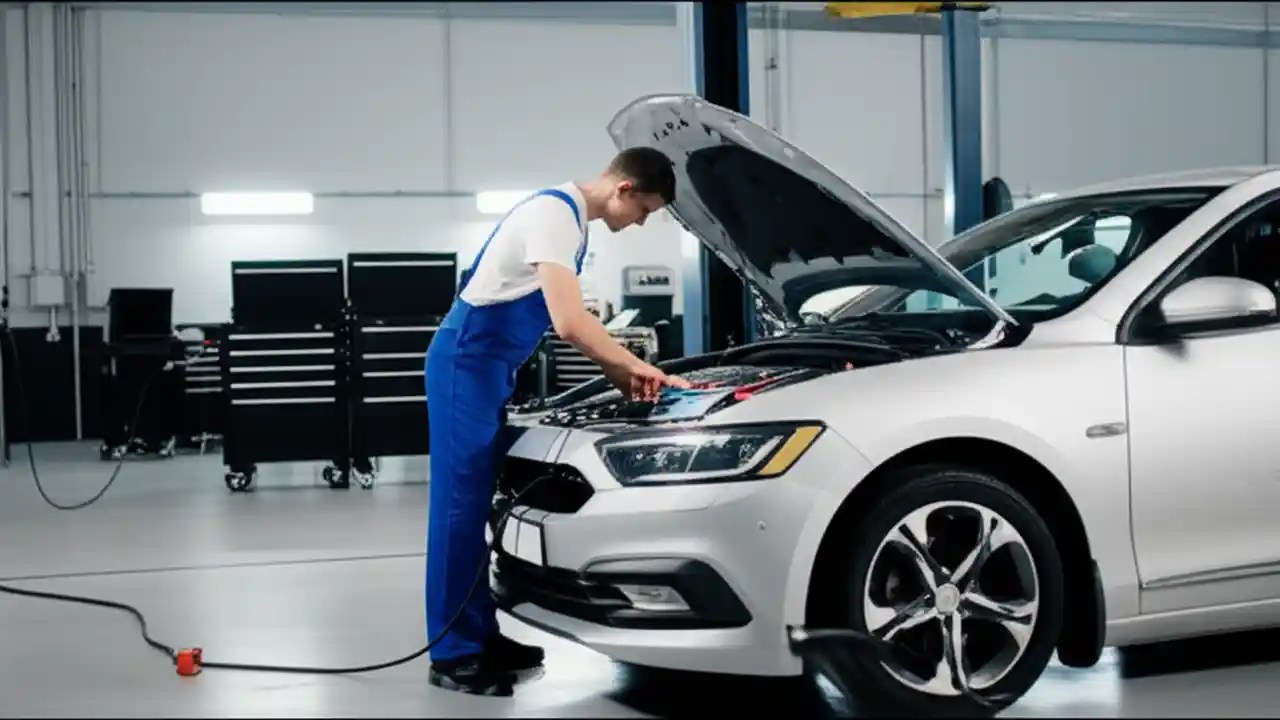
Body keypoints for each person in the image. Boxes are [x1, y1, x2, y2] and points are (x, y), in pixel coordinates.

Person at [423, 147, 692, 695]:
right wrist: (635, 363)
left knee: (478, 505)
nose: (639, 222)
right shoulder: (553, 215)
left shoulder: (572, 221)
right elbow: (570, 322)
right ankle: (452, 654)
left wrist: (619, 374)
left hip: (487, 369)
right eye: (643, 210)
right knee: (458, 508)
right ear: (623, 189)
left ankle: (479, 634)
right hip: (465, 365)